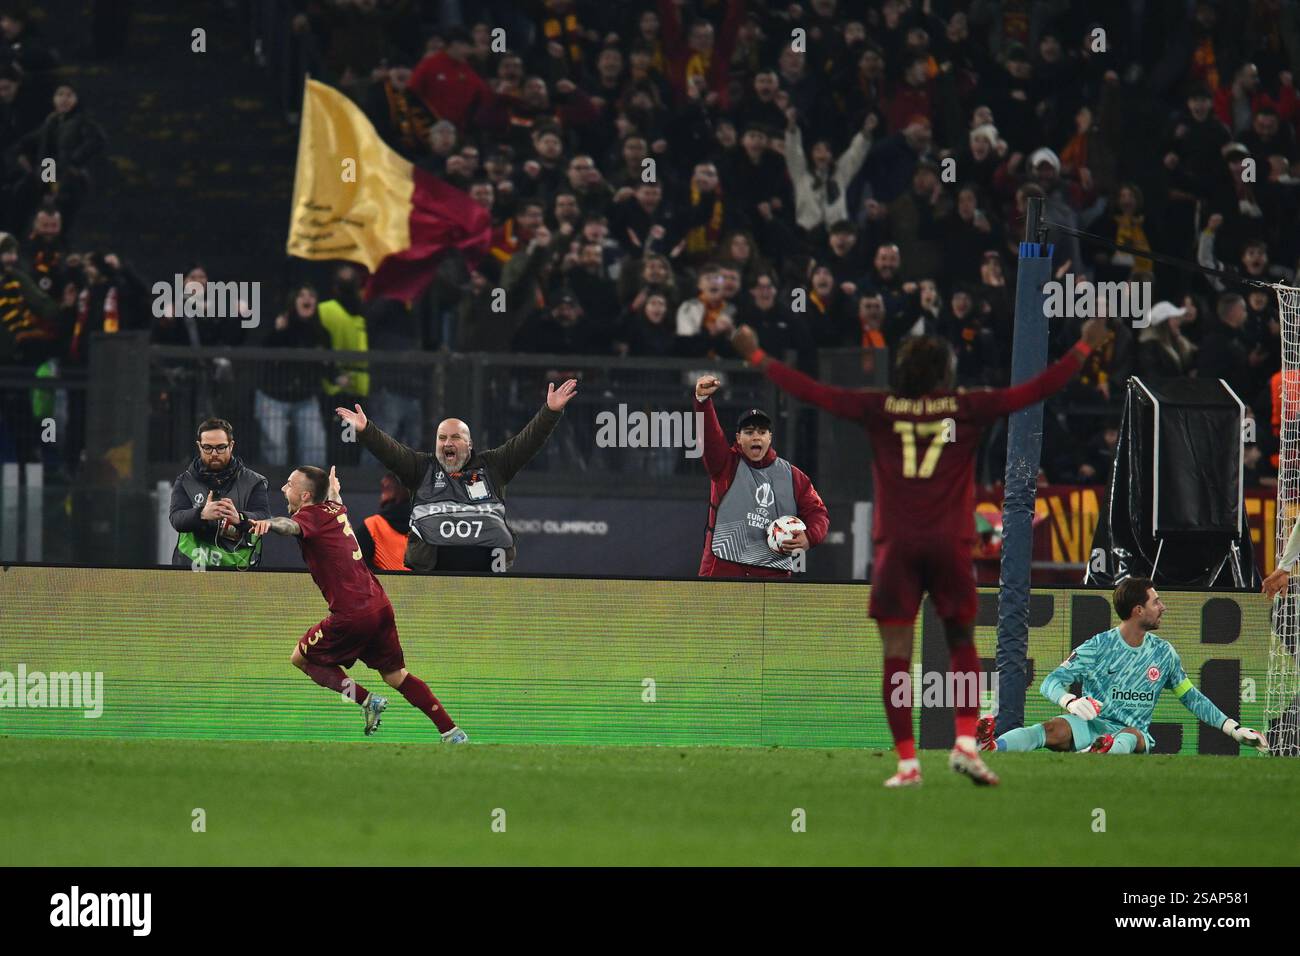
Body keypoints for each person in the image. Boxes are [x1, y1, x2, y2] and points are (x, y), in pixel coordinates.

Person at [730, 316, 1109, 787]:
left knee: (896, 652)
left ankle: (908, 764)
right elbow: (1032, 392)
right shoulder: (967, 406)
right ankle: (966, 746)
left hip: (897, 546)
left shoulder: (879, 407)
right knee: (962, 642)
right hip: (950, 543)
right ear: (944, 373)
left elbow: (815, 393)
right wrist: (1082, 349)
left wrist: (756, 354)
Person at [251, 465, 467, 743]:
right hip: (379, 604)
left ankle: (367, 700)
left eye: (289, 484)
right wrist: (333, 490)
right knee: (395, 674)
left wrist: (269, 523)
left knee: (300, 658)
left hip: (352, 614)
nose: (283, 488)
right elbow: (334, 500)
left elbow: (290, 526)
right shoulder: (334, 509)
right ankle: (451, 731)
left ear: (305, 496)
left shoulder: (310, 517)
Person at [979, 579, 1268, 754]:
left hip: (1133, 733)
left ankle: (1100, 753)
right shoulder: (1098, 646)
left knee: (1130, 737)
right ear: (1137, 610)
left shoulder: (1164, 653)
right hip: (1091, 726)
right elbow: (1050, 682)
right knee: (1050, 728)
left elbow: (1191, 697)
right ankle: (993, 747)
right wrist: (1070, 702)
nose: (1163, 607)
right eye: (1156, 602)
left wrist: (1233, 729)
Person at [335, 379, 578, 572]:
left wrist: (550, 412)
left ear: (469, 444)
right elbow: (391, 452)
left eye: (455, 437)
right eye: (442, 438)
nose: (447, 443)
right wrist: (366, 431)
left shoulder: (494, 466)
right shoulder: (421, 468)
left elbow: (528, 441)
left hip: (486, 578)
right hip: (431, 579)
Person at [694, 376, 828, 578]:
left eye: (762, 432)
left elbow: (818, 513)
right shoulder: (725, 465)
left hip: (771, 574)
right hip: (722, 570)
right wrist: (702, 403)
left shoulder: (793, 476)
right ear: (738, 438)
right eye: (749, 432)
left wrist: (810, 537)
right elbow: (711, 438)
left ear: (770, 437)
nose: (756, 437)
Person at [167, 418, 270, 569]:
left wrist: (240, 518)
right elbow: (176, 519)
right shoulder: (184, 481)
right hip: (191, 566)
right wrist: (201, 514)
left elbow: (263, 517)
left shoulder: (255, 482)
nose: (214, 453)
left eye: (221, 447)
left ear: (231, 445)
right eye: (207, 447)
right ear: (199, 446)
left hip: (237, 568)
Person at [354, 472, 412, 572]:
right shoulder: (425, 525)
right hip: (419, 585)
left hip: (384, 585)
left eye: (385, 489)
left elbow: (356, 565)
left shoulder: (372, 526)